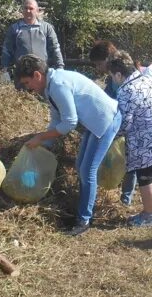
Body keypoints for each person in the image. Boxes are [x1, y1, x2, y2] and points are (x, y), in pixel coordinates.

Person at [15, 54, 121, 235]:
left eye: (27, 82)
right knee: (81, 167)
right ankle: (83, 210)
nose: (28, 87)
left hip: (106, 119)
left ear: (37, 75)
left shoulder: (58, 85)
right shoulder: (50, 87)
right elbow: (57, 119)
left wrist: (41, 137)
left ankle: (84, 220)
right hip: (94, 122)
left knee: (87, 170)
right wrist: (44, 143)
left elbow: (70, 122)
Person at [89, 42, 152, 213]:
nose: (112, 79)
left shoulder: (126, 90)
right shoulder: (146, 79)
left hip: (148, 138)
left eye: (112, 75)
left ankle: (150, 215)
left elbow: (125, 123)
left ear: (118, 74)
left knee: (146, 177)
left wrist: (108, 136)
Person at [0, 0, 64, 81]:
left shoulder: (46, 28)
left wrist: (60, 67)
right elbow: (6, 50)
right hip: (22, 75)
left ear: (37, 11)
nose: (28, 11)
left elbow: (55, 48)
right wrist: (4, 70)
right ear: (22, 10)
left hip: (41, 74)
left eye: (31, 8)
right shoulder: (14, 28)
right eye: (25, 8)